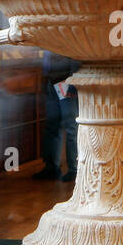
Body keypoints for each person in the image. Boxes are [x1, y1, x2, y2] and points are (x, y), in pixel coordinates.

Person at [35, 51, 80, 181]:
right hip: (52, 80)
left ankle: (74, 168)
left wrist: (73, 81)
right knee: (52, 126)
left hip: (65, 81)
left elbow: (75, 53)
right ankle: (51, 168)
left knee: (71, 127)